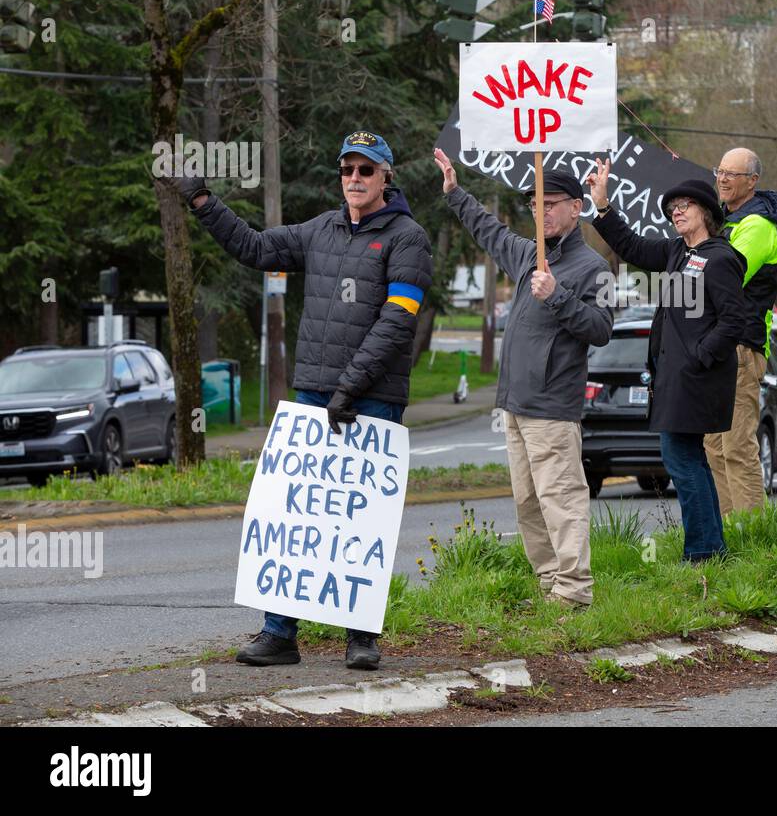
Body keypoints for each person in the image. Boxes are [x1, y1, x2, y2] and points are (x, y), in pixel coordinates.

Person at [183, 130, 433, 670]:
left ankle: (361, 637)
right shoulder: (320, 229)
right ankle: (279, 634)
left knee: (358, 520)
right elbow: (254, 247)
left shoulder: (408, 238)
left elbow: (398, 320)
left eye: (366, 170)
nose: (355, 179)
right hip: (313, 392)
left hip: (372, 398)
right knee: (296, 516)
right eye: (347, 170)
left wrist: (351, 386)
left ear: (386, 176)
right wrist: (204, 202)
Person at [436, 150, 612, 607]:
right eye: (536, 204)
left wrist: (556, 297)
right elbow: (489, 231)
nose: (542, 210)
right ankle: (550, 585)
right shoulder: (528, 254)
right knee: (528, 504)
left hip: (554, 408)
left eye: (552, 202)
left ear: (577, 207)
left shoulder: (593, 267)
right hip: (515, 403)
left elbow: (601, 329)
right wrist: (456, 193)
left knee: (561, 501)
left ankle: (574, 594)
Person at [586, 159, 747, 561]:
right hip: (675, 377)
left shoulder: (720, 258)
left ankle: (702, 552)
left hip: (697, 378)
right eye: (672, 207)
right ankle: (711, 548)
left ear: (705, 213)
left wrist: (699, 357)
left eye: (685, 205)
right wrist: (603, 206)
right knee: (691, 460)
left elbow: (734, 322)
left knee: (681, 460)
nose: (676, 211)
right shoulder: (677, 250)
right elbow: (633, 246)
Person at [706, 148, 777, 515]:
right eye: (720, 170)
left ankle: (751, 537)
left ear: (752, 182)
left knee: (736, 446)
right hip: (718, 346)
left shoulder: (755, 225)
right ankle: (727, 533)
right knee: (713, 445)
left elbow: (721, 275)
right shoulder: (727, 220)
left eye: (732, 174)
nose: (722, 179)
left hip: (741, 347)